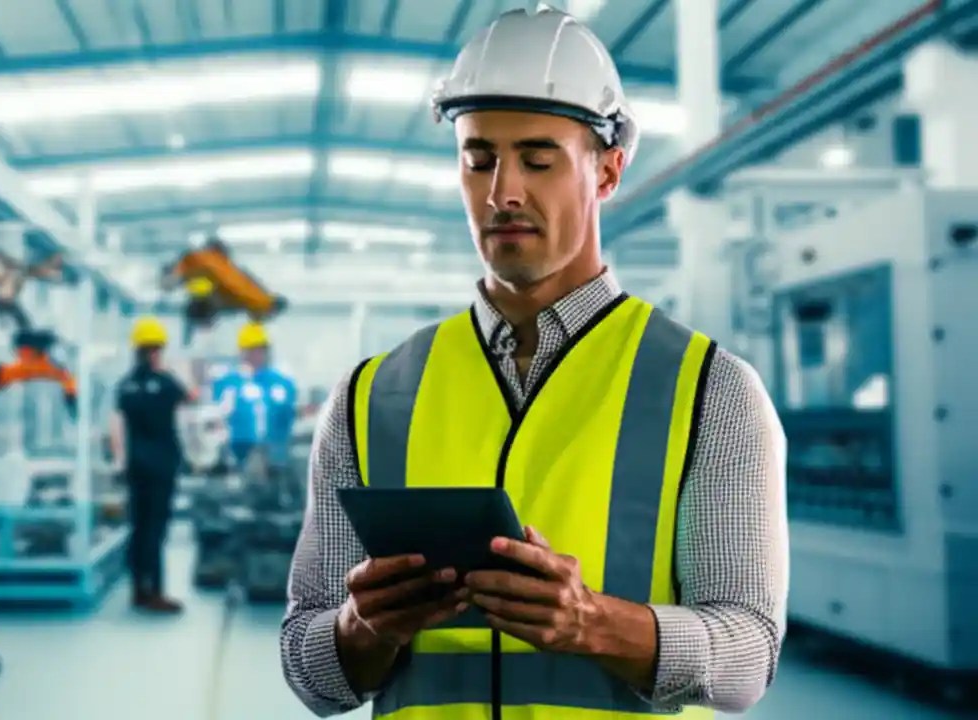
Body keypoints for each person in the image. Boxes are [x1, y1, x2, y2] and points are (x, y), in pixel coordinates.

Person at [280, 6, 788, 719]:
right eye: (478, 159)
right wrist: (362, 628)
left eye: (538, 159)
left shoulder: (710, 389)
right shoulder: (370, 396)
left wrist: (592, 623)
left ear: (607, 171)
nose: (503, 192)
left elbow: (748, 658)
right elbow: (309, 670)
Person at [110, 315, 196, 613]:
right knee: (156, 530)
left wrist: (120, 461)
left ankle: (138, 590)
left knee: (138, 526)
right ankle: (156, 592)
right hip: (162, 466)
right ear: (157, 350)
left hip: (136, 466)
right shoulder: (165, 382)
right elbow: (192, 396)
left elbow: (117, 426)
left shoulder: (125, 385)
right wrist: (175, 369)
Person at [212, 321, 298, 469]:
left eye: (260, 350)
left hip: (276, 448)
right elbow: (219, 417)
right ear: (242, 352)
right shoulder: (229, 383)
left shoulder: (281, 382)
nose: (256, 355)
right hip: (240, 448)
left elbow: (290, 413)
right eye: (252, 350)